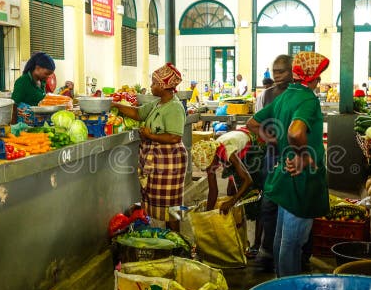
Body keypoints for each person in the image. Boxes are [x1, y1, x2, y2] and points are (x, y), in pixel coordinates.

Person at [247, 51, 330, 277]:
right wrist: (303, 155)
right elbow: (295, 132)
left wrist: (273, 140)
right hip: (301, 178)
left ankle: (279, 282)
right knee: (292, 244)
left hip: (283, 171)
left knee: (282, 239)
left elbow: (253, 123)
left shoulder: (285, 96)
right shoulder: (307, 99)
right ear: (313, 78)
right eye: (319, 76)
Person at [112, 63, 187, 231]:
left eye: (154, 83)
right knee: (158, 202)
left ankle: (176, 245)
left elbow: (175, 136)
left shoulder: (174, 107)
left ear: (163, 86)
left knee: (171, 207)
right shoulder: (157, 103)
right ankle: (168, 242)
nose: (151, 86)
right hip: (157, 161)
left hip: (170, 161)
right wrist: (115, 105)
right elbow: (138, 113)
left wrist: (150, 136)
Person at [253, 54, 293, 271]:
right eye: (274, 71)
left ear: (292, 72)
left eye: (281, 72)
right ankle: (267, 252)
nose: (276, 76)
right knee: (269, 203)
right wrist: (270, 139)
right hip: (272, 155)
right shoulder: (265, 96)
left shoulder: (298, 95)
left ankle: (296, 252)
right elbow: (256, 123)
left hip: (296, 155)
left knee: (293, 203)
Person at [191, 128, 262, 216]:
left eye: (208, 165)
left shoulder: (227, 152)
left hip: (251, 143)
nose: (208, 168)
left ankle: (251, 218)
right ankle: (234, 216)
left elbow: (248, 180)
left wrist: (231, 202)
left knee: (250, 196)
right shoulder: (211, 150)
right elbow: (213, 190)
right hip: (235, 146)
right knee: (231, 190)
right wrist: (208, 214)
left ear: (213, 157)